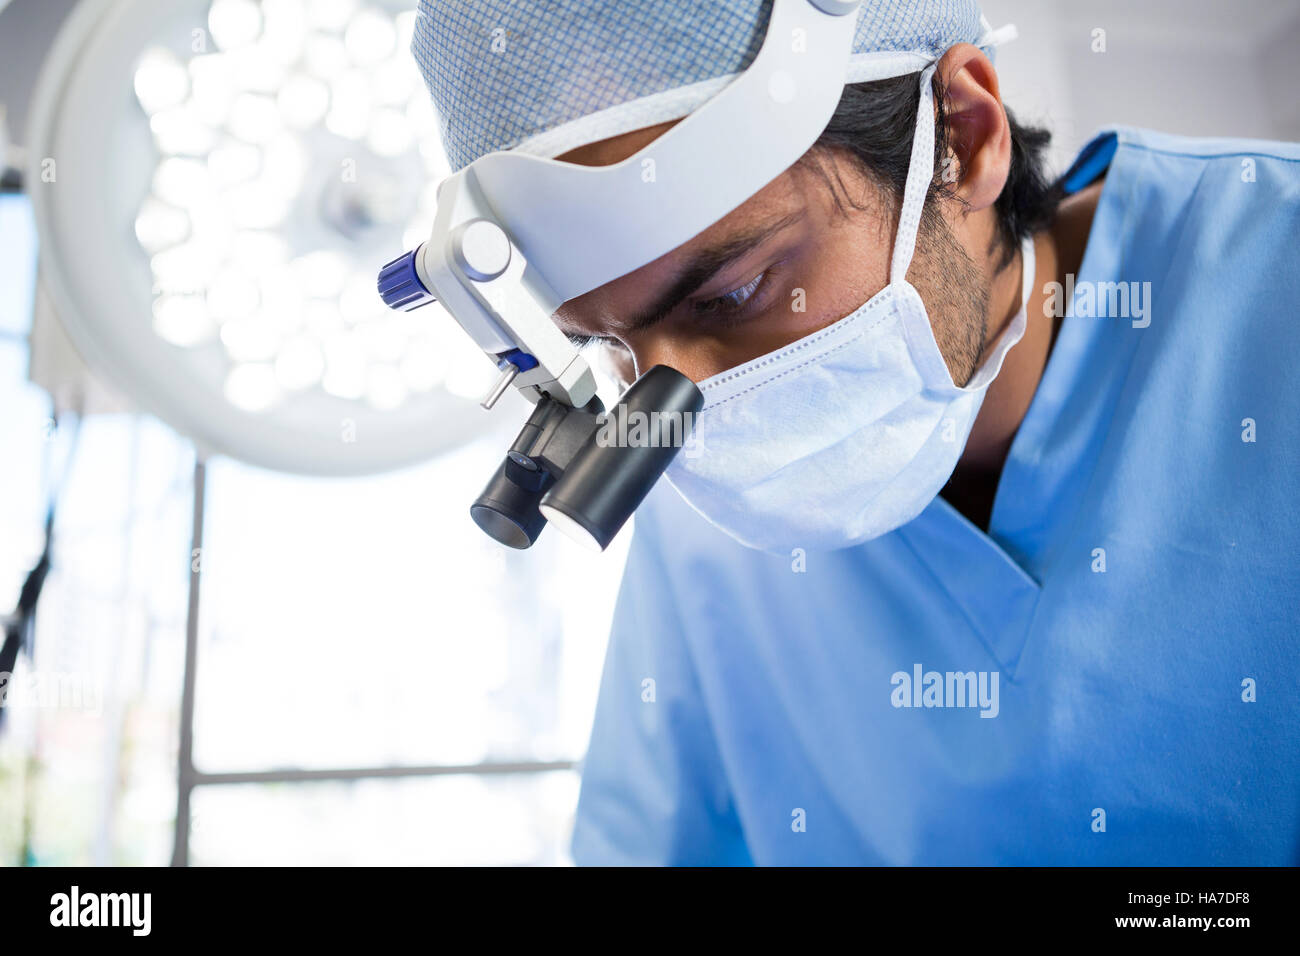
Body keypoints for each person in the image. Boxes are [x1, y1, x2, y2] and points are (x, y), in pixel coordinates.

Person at [411, 0, 1300, 864]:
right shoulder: (706, 530)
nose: (693, 416)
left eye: (732, 294)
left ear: (964, 139)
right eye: (613, 349)